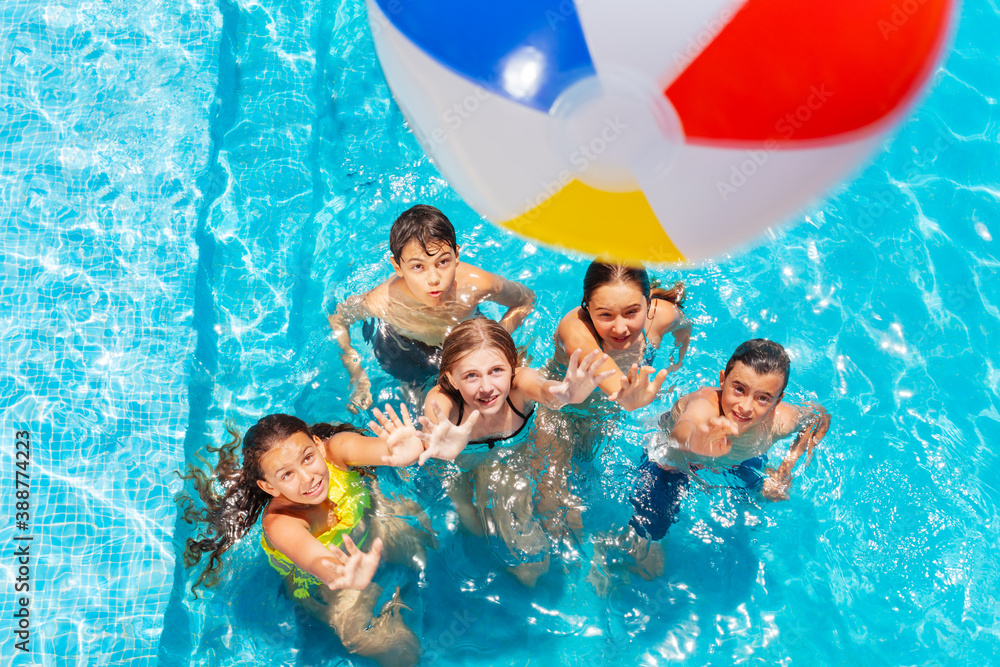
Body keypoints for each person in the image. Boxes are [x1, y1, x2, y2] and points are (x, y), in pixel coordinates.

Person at [178, 406, 475, 667]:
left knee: (439, 544)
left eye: (307, 458)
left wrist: (408, 451)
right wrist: (341, 575)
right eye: (286, 475)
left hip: (375, 528)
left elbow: (386, 452)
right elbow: (318, 561)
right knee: (399, 651)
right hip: (326, 585)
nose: (307, 478)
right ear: (269, 488)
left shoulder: (337, 450)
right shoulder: (281, 522)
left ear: (319, 447)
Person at [589, 339, 830, 594]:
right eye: (739, 389)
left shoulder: (782, 420)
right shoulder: (704, 403)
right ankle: (609, 546)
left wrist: (786, 468)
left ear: (777, 400)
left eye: (763, 398)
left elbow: (819, 418)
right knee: (650, 564)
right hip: (675, 462)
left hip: (737, 460)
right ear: (723, 379)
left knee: (771, 497)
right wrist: (695, 441)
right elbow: (684, 429)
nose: (745, 407)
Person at [418, 317, 613, 586]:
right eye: (471, 375)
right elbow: (434, 418)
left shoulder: (518, 385)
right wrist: (439, 443)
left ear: (512, 367)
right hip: (480, 461)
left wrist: (564, 393)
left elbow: (545, 390)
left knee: (559, 510)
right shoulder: (444, 401)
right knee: (515, 549)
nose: (486, 387)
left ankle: (590, 560)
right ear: (451, 378)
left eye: (496, 370)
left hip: (537, 437)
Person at [328, 205, 536, 412]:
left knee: (518, 388)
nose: (434, 279)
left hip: (465, 337)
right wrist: (357, 374)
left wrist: (497, 339)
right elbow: (338, 318)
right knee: (425, 413)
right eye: (418, 267)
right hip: (406, 348)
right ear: (397, 267)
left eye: (443, 262)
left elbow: (526, 300)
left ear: (456, 255)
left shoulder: (478, 285)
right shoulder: (382, 301)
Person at [553, 259, 690, 412]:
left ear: (648, 302)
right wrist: (631, 400)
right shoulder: (575, 329)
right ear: (587, 306)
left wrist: (674, 365)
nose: (619, 329)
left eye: (631, 311)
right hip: (566, 410)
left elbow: (685, 328)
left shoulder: (664, 316)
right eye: (605, 314)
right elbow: (618, 389)